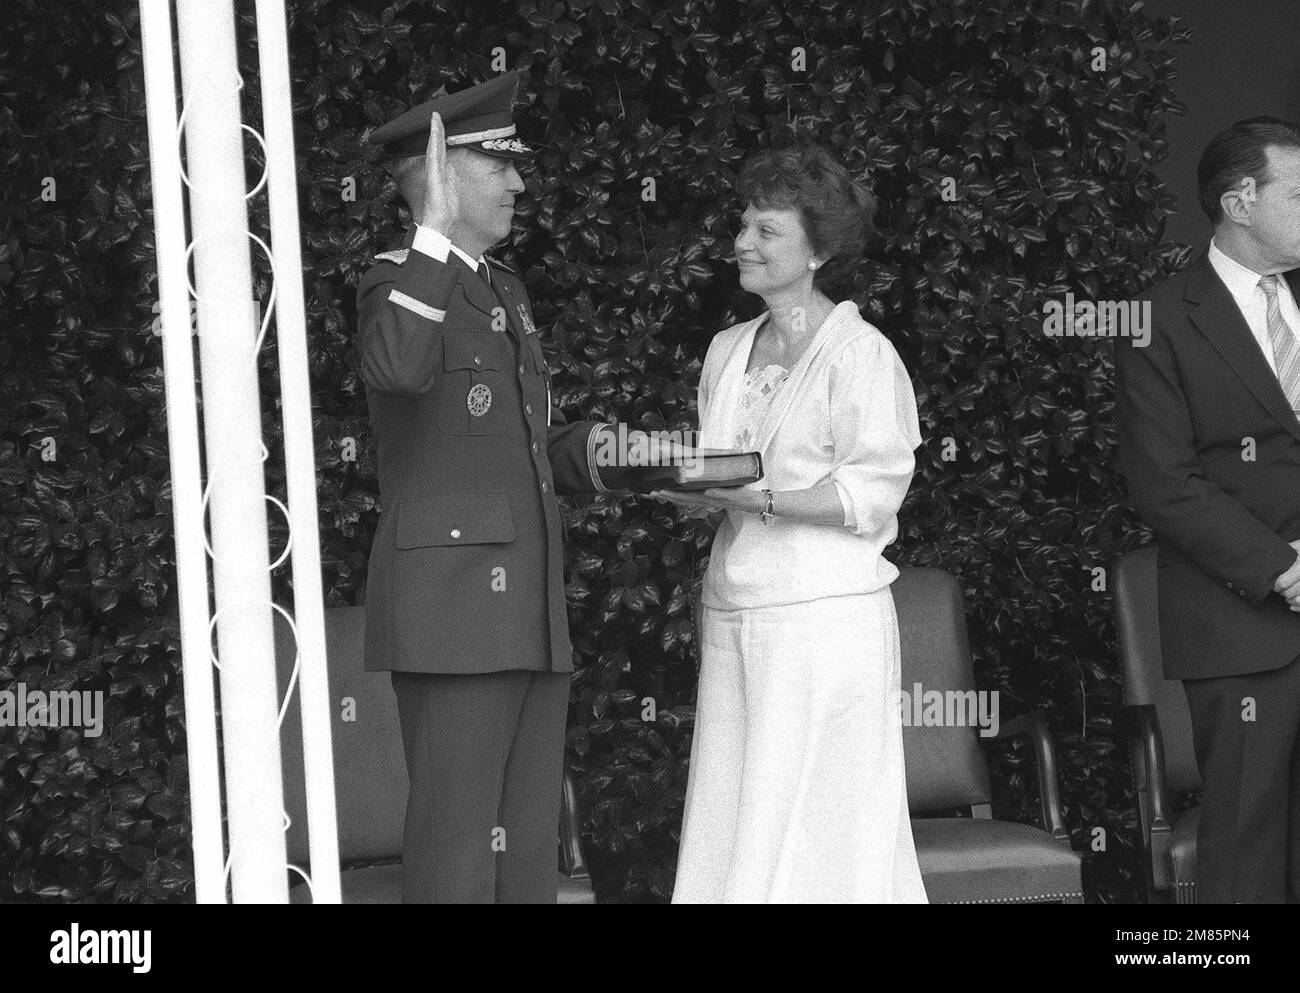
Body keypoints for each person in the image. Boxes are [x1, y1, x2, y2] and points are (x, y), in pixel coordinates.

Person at [356, 70, 644, 903]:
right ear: (442, 178)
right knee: (456, 853)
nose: (521, 181)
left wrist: (610, 453)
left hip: (526, 610)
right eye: (500, 164)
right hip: (453, 612)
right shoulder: (397, 279)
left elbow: (510, 444)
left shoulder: (501, 289)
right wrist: (434, 237)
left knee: (523, 856)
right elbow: (398, 367)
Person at [653, 143, 928, 902]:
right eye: (744, 224)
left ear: (820, 250)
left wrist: (762, 499)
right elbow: (721, 469)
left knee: (822, 821)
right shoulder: (726, 348)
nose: (742, 241)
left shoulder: (861, 354)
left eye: (766, 230)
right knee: (734, 809)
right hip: (734, 607)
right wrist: (674, 483)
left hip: (825, 620)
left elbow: (872, 492)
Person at [1115, 117, 1300, 903]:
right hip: (1243, 626)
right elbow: (1164, 482)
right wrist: (1285, 569)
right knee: (1247, 843)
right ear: (1240, 202)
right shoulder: (1157, 318)